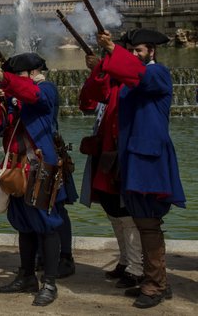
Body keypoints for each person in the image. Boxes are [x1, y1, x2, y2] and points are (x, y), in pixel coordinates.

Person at [96, 29, 185, 308]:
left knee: (148, 222)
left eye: (140, 50)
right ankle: (157, 280)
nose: (135, 54)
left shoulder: (157, 73)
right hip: (134, 156)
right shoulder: (132, 77)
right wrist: (105, 58)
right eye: (132, 50)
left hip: (150, 158)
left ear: (152, 51)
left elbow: (139, 76)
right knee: (142, 220)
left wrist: (113, 50)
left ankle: (155, 284)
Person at [0, 53, 67, 307]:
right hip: (16, 166)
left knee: (46, 224)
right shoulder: (15, 93)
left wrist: (2, 78)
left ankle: (49, 282)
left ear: (32, 73)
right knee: (24, 224)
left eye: (16, 75)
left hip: (40, 165)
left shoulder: (46, 89)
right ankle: (27, 276)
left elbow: (34, 97)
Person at [78, 49, 144, 289]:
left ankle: (136, 267)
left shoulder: (137, 81)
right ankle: (126, 260)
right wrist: (98, 71)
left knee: (127, 215)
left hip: (123, 155)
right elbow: (87, 101)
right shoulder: (111, 82)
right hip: (105, 155)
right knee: (112, 210)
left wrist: (105, 66)